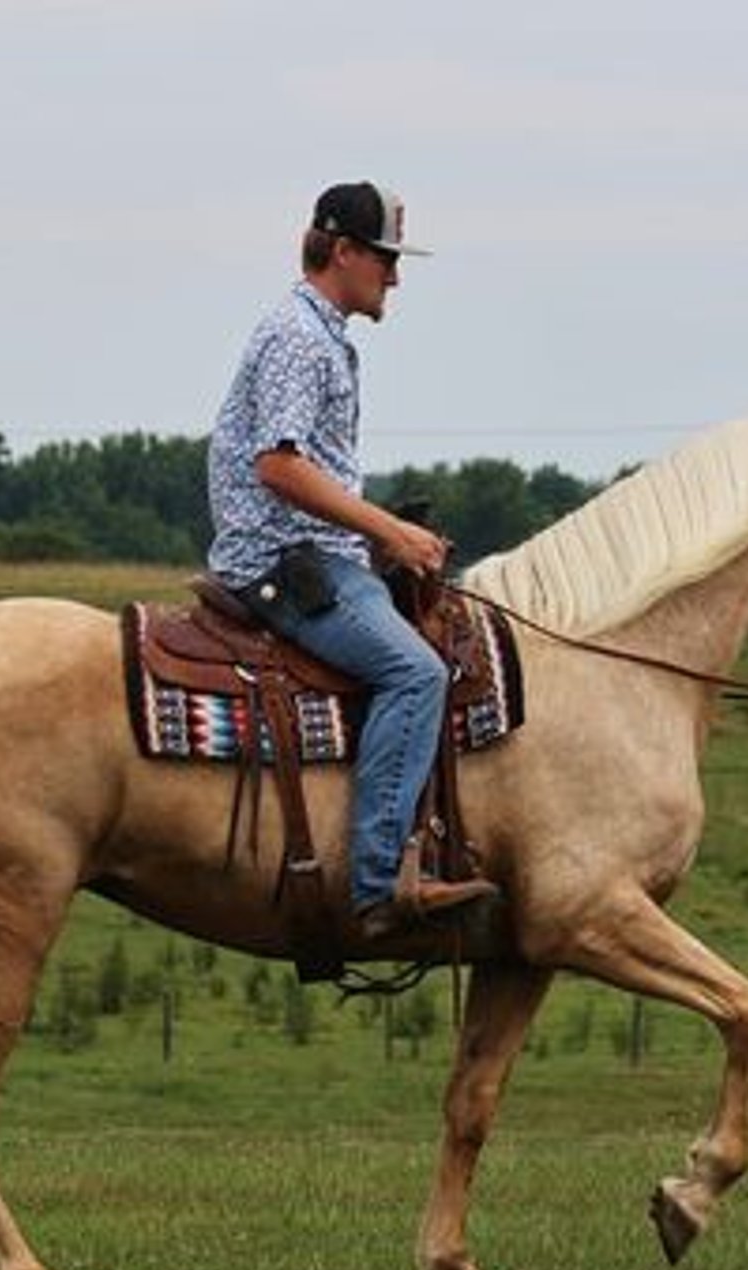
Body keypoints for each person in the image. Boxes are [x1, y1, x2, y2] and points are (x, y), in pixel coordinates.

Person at [206, 182, 498, 938]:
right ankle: (377, 887)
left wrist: (379, 535)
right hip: (286, 561)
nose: (395, 279)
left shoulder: (320, 334)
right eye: (386, 260)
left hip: (317, 550)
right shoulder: (300, 340)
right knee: (417, 670)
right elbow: (279, 466)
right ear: (343, 252)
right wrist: (388, 534)